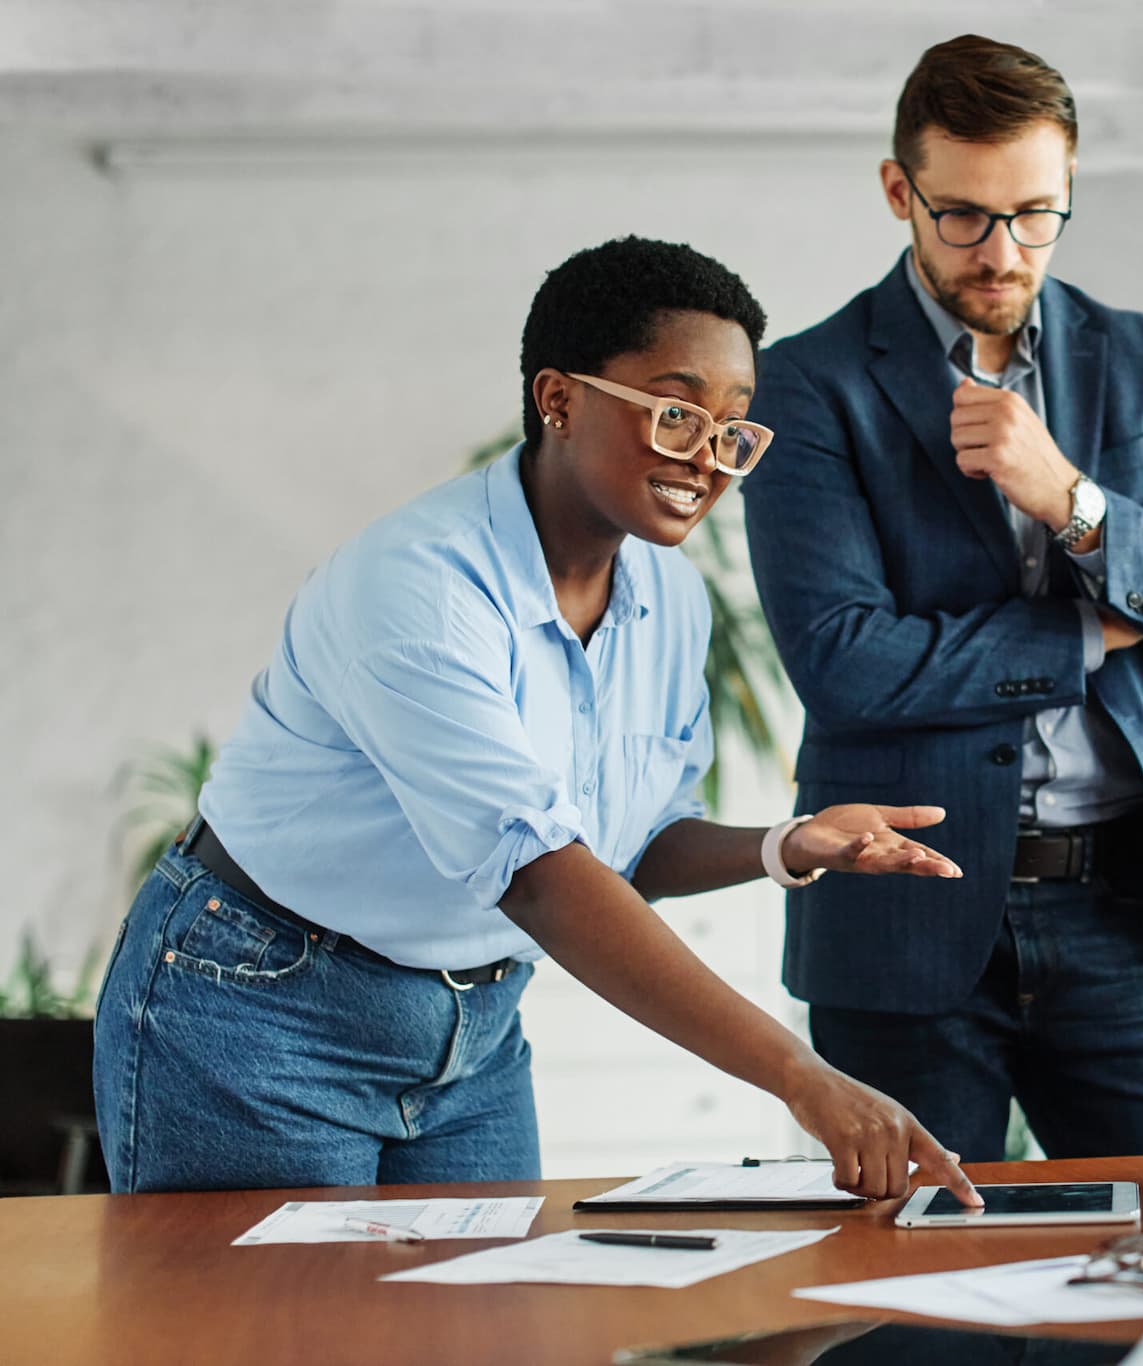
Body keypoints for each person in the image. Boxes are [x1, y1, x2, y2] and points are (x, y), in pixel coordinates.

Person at [93, 236, 980, 1207]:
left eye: (733, 429)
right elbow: (544, 879)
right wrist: (802, 1077)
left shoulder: (670, 599)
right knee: (278, 1307)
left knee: (491, 1300)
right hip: (264, 1009)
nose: (708, 459)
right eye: (676, 414)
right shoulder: (421, 590)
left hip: (471, 1033)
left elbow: (629, 845)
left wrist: (785, 844)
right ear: (558, 399)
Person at [740, 35, 1143, 1161]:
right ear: (898, 190)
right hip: (903, 922)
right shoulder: (805, 383)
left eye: (1036, 214)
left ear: (1069, 185)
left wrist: (1075, 503)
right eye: (962, 215)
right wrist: (1106, 621)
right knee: (912, 1265)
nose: (1001, 252)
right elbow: (846, 663)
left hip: (1128, 914)